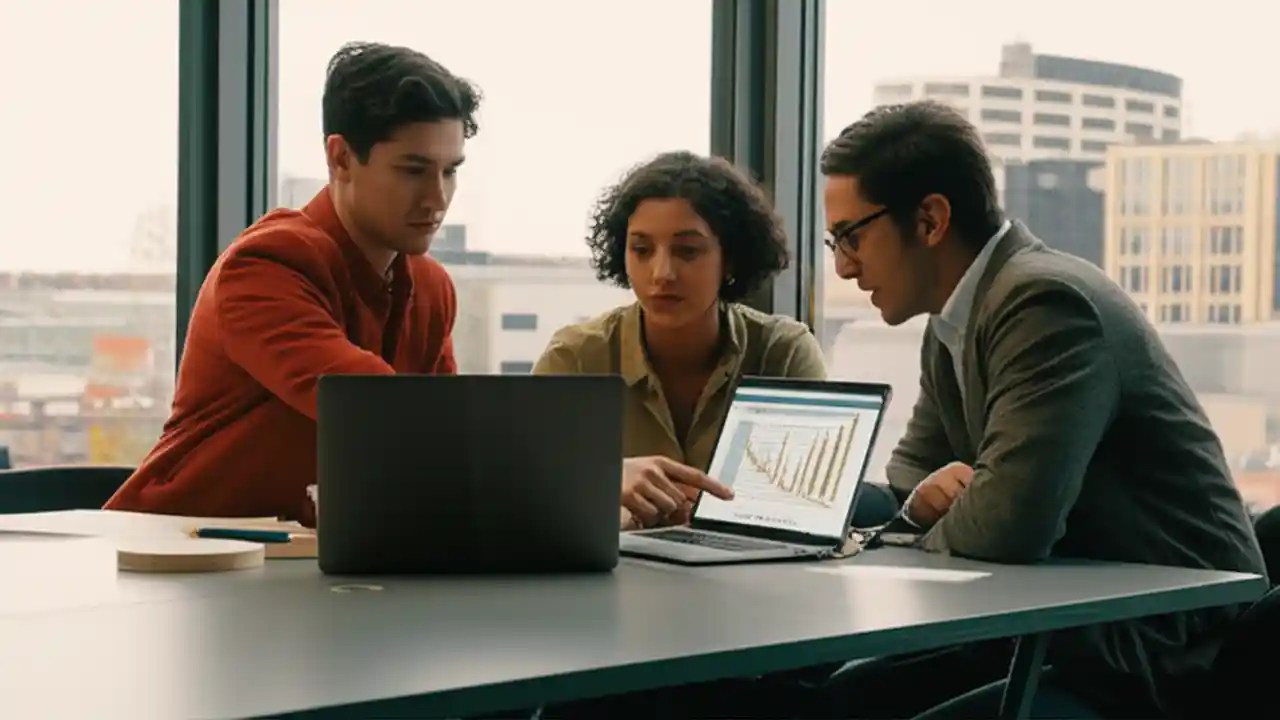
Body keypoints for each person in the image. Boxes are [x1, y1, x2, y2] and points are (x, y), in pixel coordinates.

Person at [817, 100, 1266, 718]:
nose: (842, 265)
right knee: (845, 695)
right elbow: (909, 487)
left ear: (929, 220)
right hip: (1059, 624)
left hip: (1162, 642)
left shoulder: (1044, 304)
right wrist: (925, 507)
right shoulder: (952, 323)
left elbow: (1008, 526)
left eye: (851, 237)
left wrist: (933, 523)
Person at [105, 42, 481, 525]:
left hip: (310, 559)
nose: (438, 198)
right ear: (341, 158)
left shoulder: (431, 288)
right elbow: (376, 409)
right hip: (177, 553)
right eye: (413, 170)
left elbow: (442, 447)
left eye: (450, 172)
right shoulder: (267, 264)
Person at [532, 151, 830, 531]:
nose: (661, 273)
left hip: (751, 578)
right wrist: (603, 482)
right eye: (641, 250)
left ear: (732, 259)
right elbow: (521, 492)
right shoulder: (576, 356)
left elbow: (816, 505)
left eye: (687, 251)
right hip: (616, 579)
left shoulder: (782, 352)